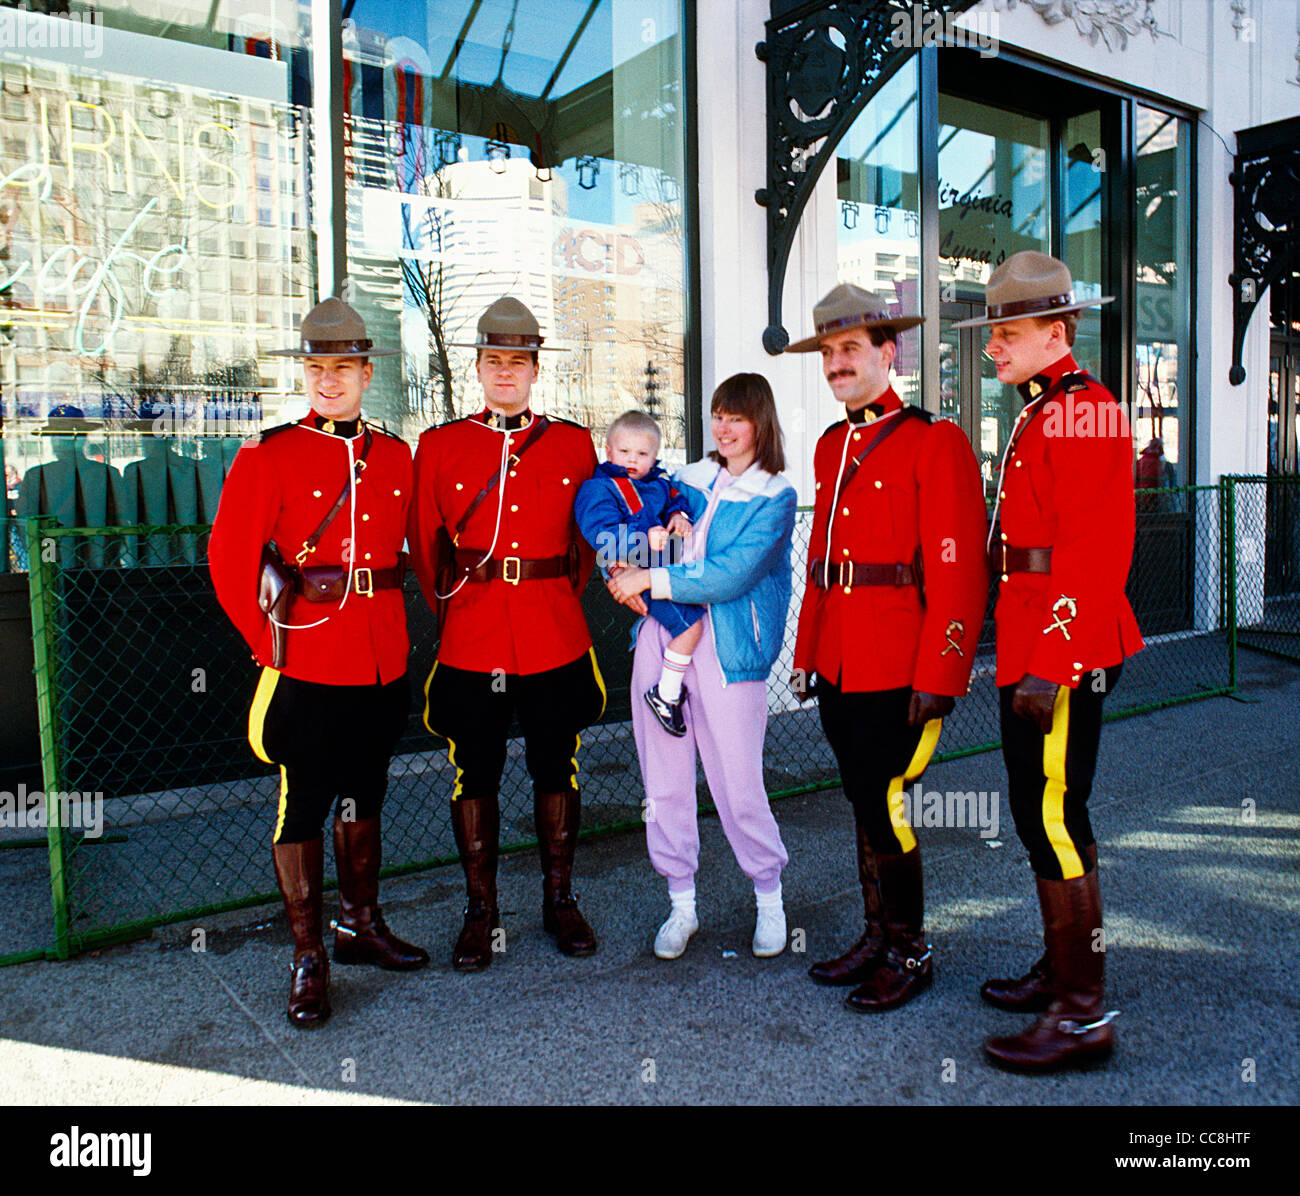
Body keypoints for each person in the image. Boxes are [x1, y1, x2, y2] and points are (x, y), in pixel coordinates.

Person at [209, 297, 428, 1030]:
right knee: (304, 801)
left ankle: (358, 925)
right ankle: (309, 958)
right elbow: (228, 558)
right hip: (306, 652)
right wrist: (268, 640)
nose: (327, 380)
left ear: (368, 374)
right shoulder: (271, 453)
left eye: (341, 368)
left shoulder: (396, 455)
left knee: (366, 791)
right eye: (315, 368)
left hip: (379, 655)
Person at [952, 250, 1144, 1071]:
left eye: (1009, 331)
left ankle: (1080, 1016)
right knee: (1045, 815)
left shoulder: (1085, 409)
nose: (993, 346)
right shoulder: (1045, 407)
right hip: (1035, 635)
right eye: (993, 331)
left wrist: (1052, 662)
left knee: (1055, 818)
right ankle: (1061, 969)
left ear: (1057, 333)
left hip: (1063, 646)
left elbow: (1097, 549)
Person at [787, 284, 988, 1014]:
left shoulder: (935, 440)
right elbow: (822, 559)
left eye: (851, 350)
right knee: (865, 801)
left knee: (893, 804)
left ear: (887, 352)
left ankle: (911, 949)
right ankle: (877, 935)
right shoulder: (832, 445)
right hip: (841, 658)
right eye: (829, 352)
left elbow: (961, 572)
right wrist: (807, 651)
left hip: (904, 665)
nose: (838, 363)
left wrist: (943, 671)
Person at [407, 296, 604, 972]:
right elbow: (426, 551)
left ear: (534, 369)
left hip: (552, 629)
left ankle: (559, 897)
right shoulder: (439, 446)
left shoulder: (575, 444)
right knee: (475, 769)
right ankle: (480, 909)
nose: (505, 374)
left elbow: (583, 549)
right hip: (474, 633)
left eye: (517, 363)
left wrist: (541, 592)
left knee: (558, 762)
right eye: (494, 362)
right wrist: (468, 605)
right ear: (479, 368)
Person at [607, 373, 796, 961]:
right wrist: (618, 568)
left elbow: (730, 574)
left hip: (729, 648)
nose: (724, 428)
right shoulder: (685, 476)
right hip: (660, 636)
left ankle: (769, 899)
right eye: (717, 415)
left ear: (760, 423)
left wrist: (649, 576)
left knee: (737, 782)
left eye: (736, 417)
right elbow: (621, 514)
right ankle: (681, 905)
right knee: (662, 782)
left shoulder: (775, 495)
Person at [575, 410, 702, 736]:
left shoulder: (659, 484)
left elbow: (675, 502)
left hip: (669, 569)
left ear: (655, 456)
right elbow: (600, 535)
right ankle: (666, 694)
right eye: (624, 451)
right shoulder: (600, 488)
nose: (633, 459)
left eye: (642, 454)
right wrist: (643, 538)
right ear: (608, 451)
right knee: (691, 626)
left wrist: (680, 517)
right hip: (641, 573)